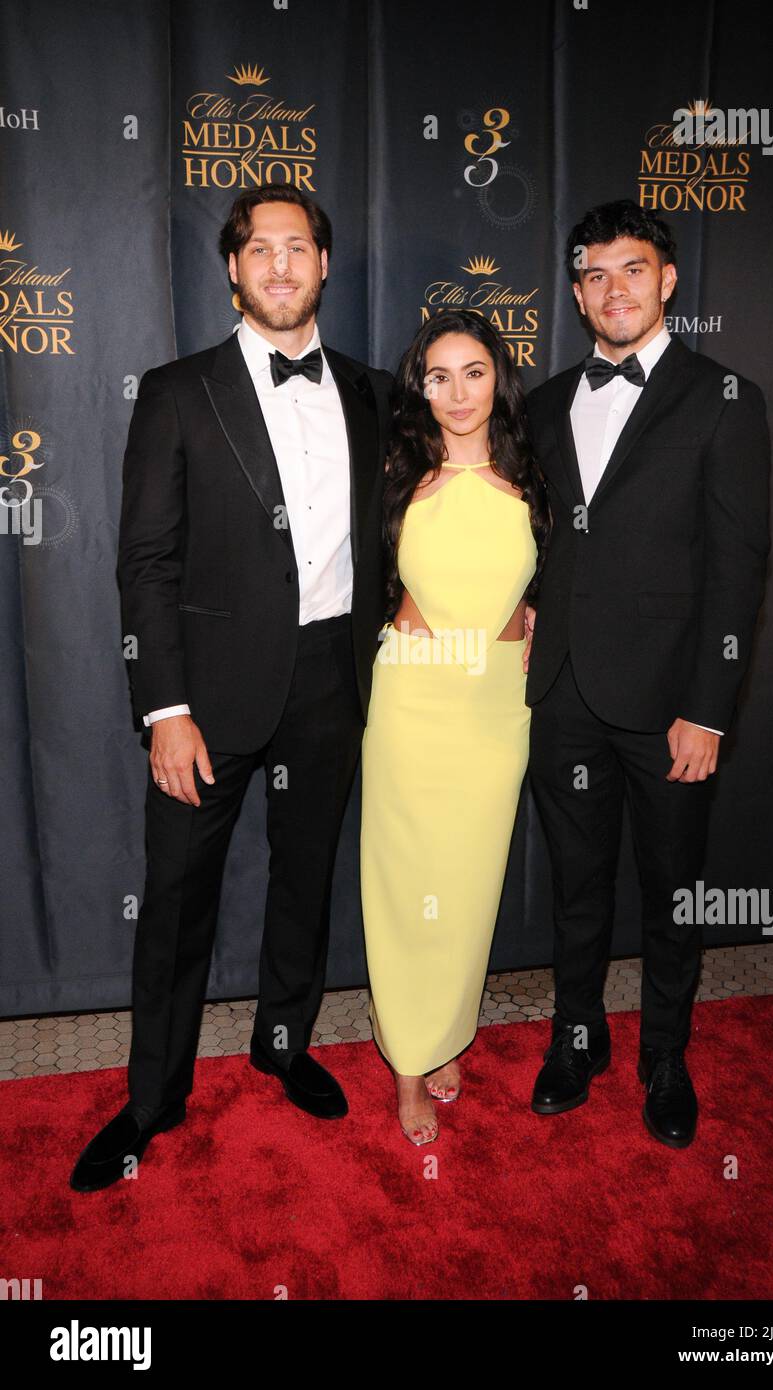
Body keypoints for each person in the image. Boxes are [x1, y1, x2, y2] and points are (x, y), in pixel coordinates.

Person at [70, 184, 393, 1192]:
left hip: (331, 677)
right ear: (232, 269)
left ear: (325, 265)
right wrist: (164, 709)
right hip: (204, 696)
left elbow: (457, 484)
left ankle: (286, 1043)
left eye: (299, 247)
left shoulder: (375, 391)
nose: (282, 265)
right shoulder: (176, 391)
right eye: (262, 249)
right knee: (175, 900)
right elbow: (147, 564)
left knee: (305, 878)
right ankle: (153, 1097)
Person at [526, 199, 770, 1148]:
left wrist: (708, 711)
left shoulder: (724, 398)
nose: (610, 289)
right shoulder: (546, 403)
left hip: (669, 701)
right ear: (577, 292)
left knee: (672, 892)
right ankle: (575, 1039)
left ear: (666, 281)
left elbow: (737, 565)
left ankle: (664, 1056)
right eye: (592, 274)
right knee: (575, 886)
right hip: (562, 695)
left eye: (630, 269)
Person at [360, 309, 548, 1144]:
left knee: (468, 887)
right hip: (413, 702)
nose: (458, 391)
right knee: (404, 885)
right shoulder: (395, 470)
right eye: (438, 375)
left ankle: (444, 1031)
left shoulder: (536, 473)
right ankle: (406, 1062)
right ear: (419, 386)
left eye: (474, 371)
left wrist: (540, 616)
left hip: (493, 711)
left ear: (497, 378)